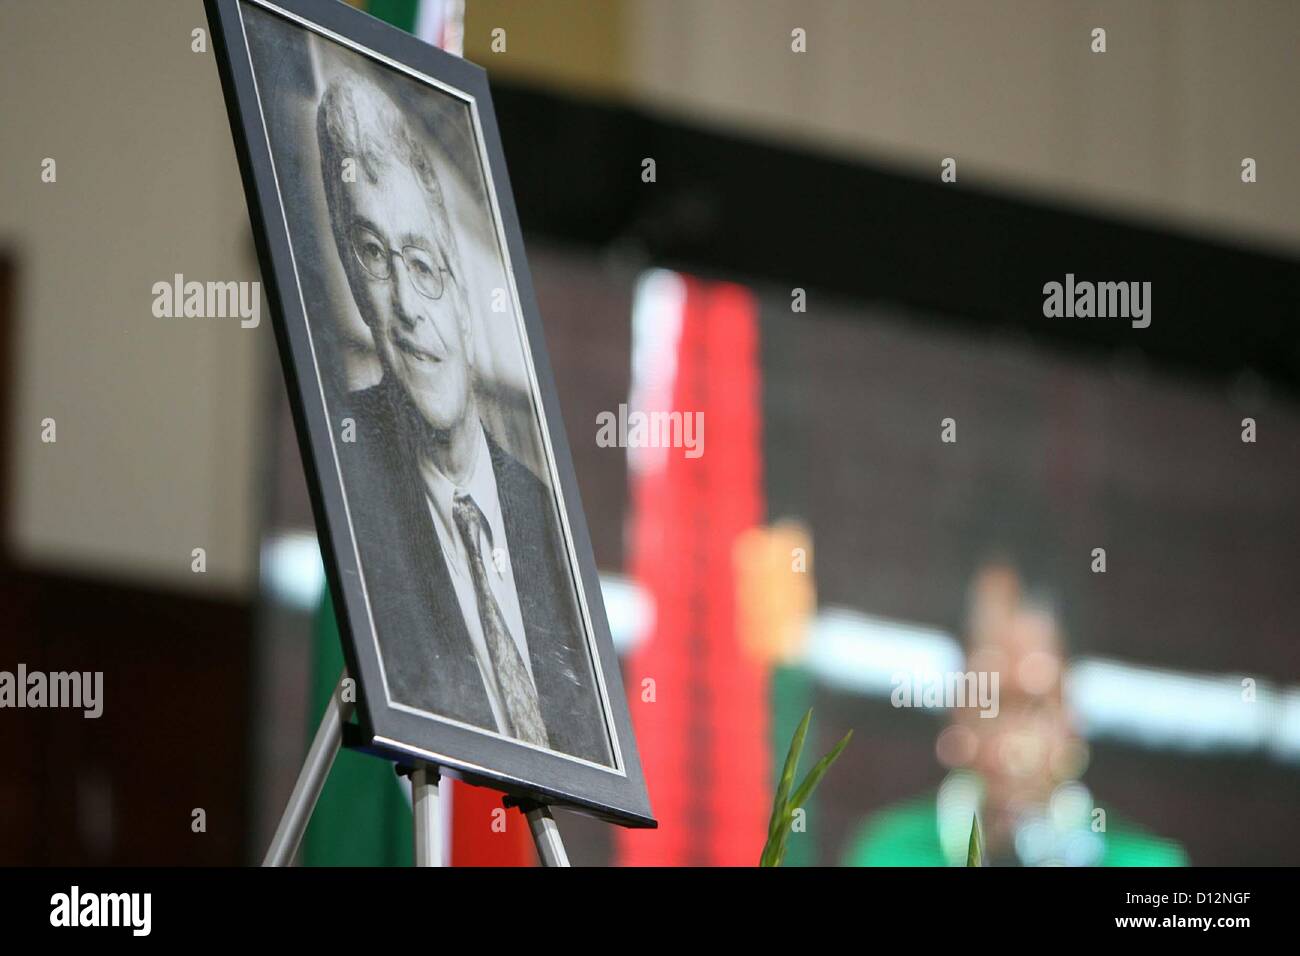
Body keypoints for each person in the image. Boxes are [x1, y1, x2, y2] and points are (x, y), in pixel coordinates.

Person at [315, 73, 610, 766]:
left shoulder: (542, 516)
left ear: (460, 287)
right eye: (373, 259)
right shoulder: (349, 481)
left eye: (421, 263)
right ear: (357, 292)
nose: (408, 308)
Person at [845, 560, 1185, 866]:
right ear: (955, 712)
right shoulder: (888, 855)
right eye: (990, 705)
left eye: (1035, 709)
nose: (1011, 750)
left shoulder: (1143, 862)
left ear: (1072, 718)